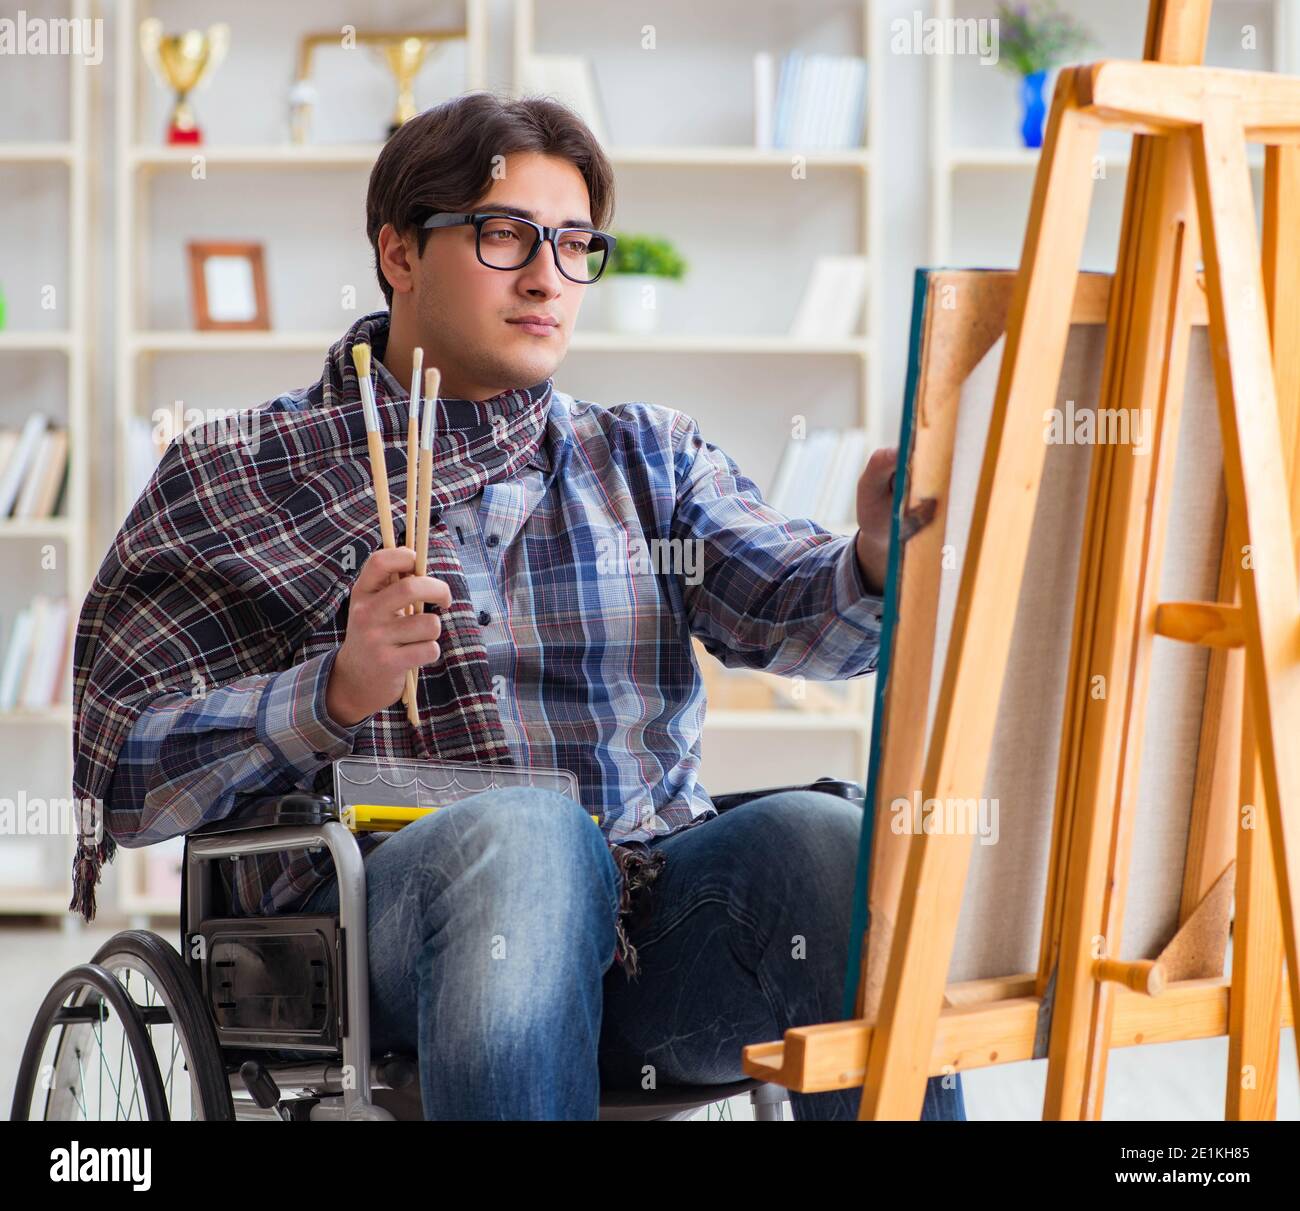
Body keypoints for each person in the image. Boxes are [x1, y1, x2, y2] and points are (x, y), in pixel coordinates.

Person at [72, 92, 964, 1121]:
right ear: (398, 253)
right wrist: (335, 689)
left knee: (825, 843)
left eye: (575, 242)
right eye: (506, 236)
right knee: (529, 840)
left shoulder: (644, 453)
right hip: (368, 942)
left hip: (641, 930)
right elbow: (124, 764)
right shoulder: (237, 470)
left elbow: (787, 597)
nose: (548, 275)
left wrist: (870, 553)